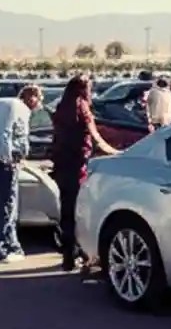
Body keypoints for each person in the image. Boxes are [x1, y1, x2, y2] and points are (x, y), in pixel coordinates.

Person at [51, 75, 120, 272]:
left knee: (67, 211)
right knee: (80, 211)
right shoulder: (82, 109)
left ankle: (68, 256)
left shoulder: (61, 108)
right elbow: (96, 138)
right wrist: (117, 153)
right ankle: (83, 254)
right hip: (78, 165)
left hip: (62, 165)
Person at [0, 85, 43, 263]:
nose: (39, 104)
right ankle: (7, 248)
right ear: (31, 97)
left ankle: (3, 244)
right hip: (0, 161)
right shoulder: (18, 108)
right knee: (7, 207)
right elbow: (8, 134)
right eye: (39, 98)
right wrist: (9, 159)